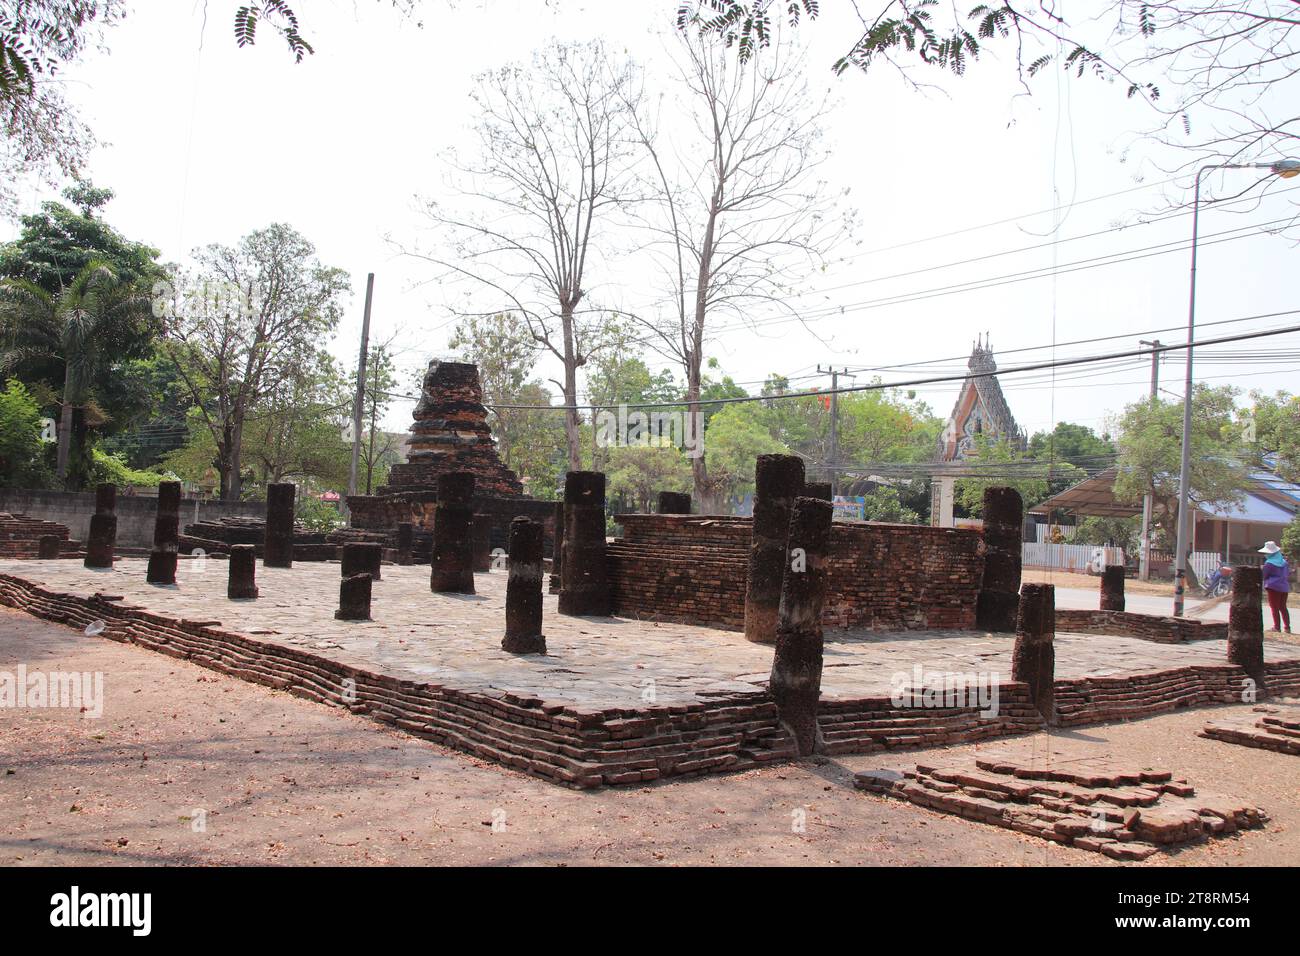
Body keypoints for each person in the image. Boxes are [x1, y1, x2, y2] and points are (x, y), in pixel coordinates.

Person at [1259, 541, 1291, 634]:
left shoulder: (1269, 564)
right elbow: (1287, 573)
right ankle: (1287, 627)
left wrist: (1262, 569)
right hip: (1284, 587)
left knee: (1274, 607)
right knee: (1283, 607)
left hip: (1273, 587)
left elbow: (1264, 576)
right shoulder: (1284, 562)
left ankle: (1277, 627)